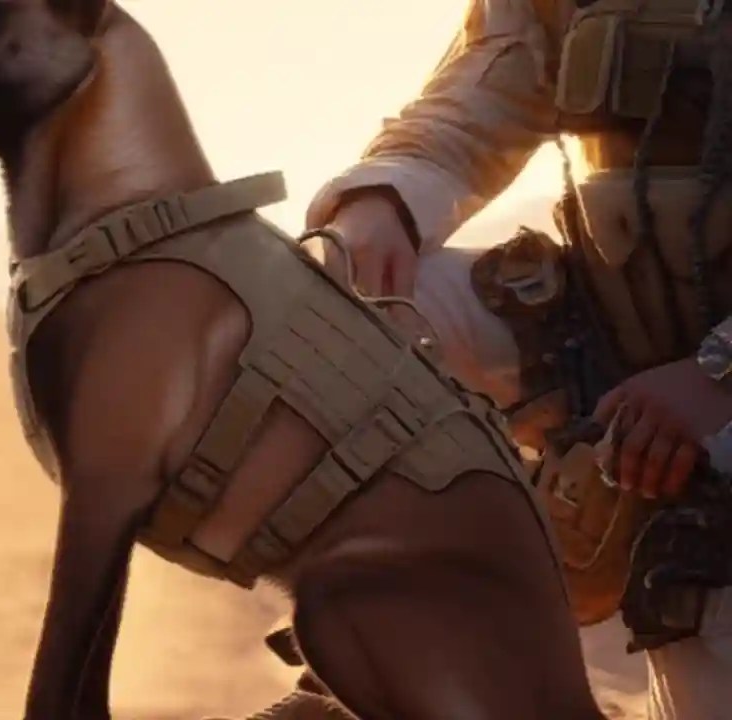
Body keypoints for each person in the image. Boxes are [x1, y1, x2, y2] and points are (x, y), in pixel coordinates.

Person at [306, 0, 732, 717]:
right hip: (608, 330)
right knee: (336, 319)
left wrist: (718, 373)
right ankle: (363, 663)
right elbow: (488, 83)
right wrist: (383, 197)